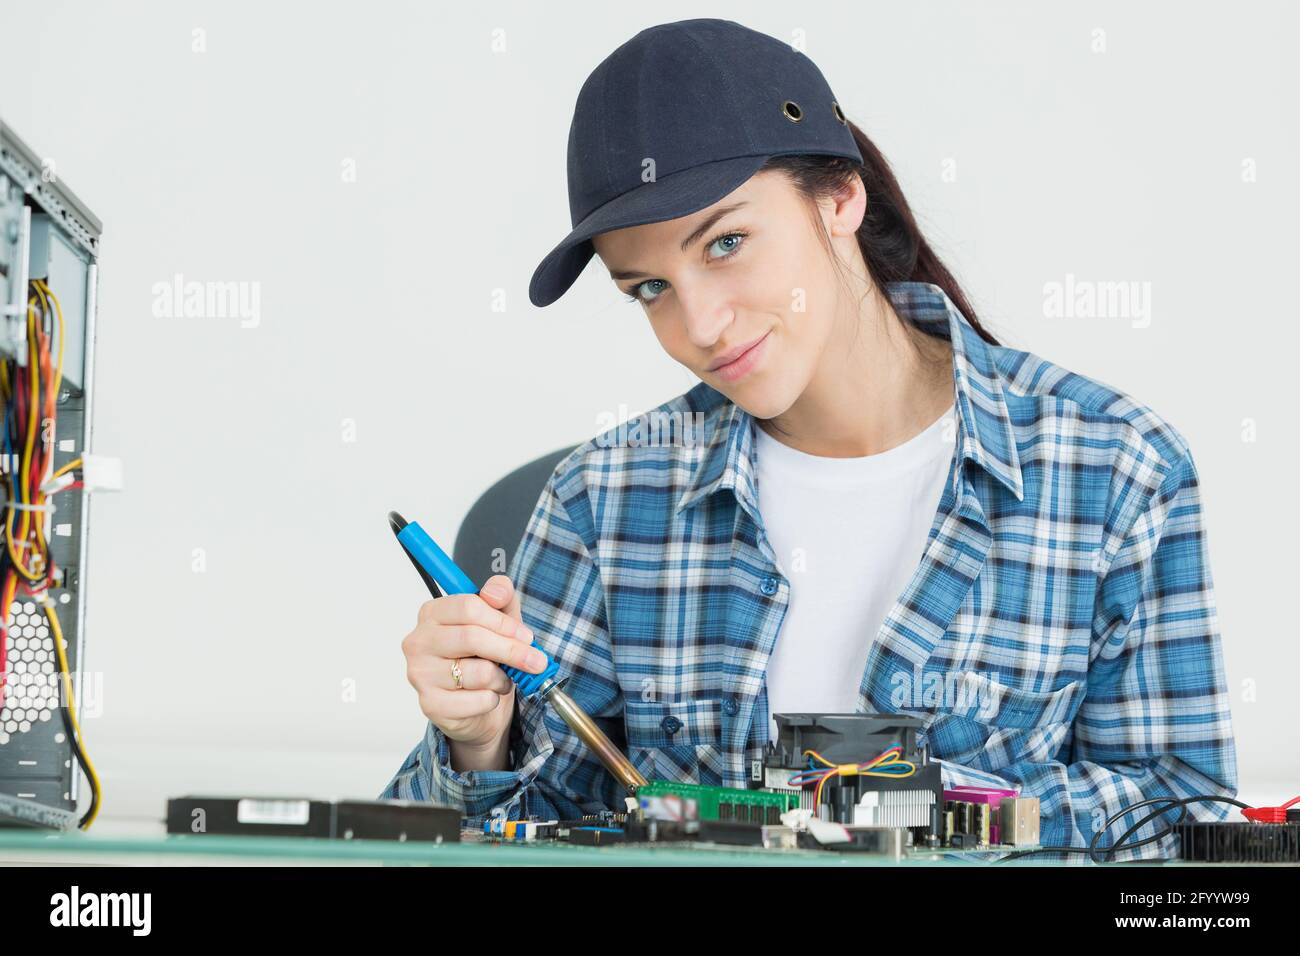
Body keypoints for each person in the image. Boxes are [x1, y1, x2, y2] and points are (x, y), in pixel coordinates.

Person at [380, 19, 1237, 861]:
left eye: (726, 242)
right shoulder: (602, 499)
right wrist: (475, 743)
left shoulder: (1114, 467)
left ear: (840, 198)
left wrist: (921, 815)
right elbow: (489, 835)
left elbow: (1191, 834)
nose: (701, 326)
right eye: (648, 289)